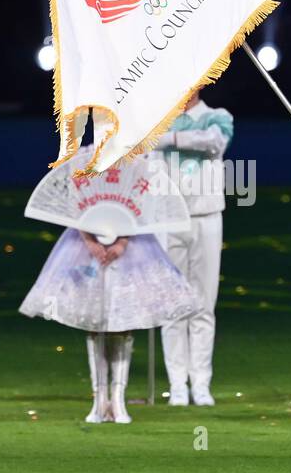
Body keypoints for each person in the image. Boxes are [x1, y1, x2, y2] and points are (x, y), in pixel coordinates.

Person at [20, 146, 198, 423]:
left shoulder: (137, 159)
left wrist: (123, 241)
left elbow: (143, 202)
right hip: (84, 247)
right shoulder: (85, 157)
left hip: (133, 247)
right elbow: (75, 203)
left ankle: (118, 398)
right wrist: (90, 242)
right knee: (95, 323)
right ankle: (99, 399)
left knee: (124, 321)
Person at [154, 90, 233, 406]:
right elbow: (144, 150)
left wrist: (170, 138)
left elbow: (214, 142)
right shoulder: (157, 118)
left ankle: (201, 383)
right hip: (168, 218)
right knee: (172, 305)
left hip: (206, 216)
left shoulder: (218, 115)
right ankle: (177, 383)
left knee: (203, 303)